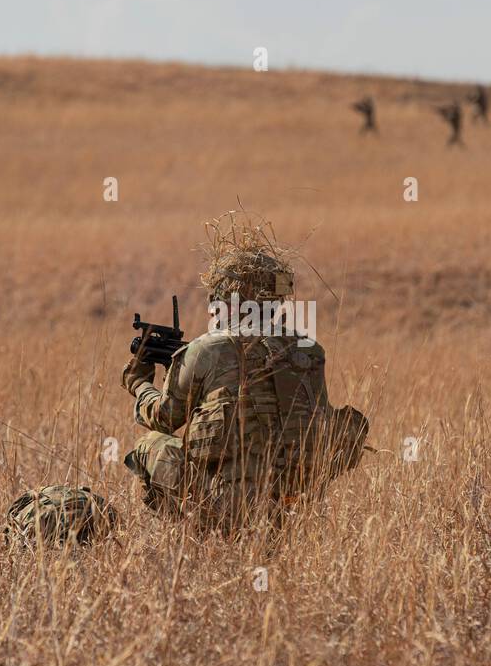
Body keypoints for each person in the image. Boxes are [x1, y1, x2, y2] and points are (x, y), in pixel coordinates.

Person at [121, 219, 368, 529]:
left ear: (224, 299)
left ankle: (195, 534)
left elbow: (164, 418)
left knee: (149, 445)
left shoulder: (206, 351)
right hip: (291, 505)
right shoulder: (309, 351)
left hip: (225, 506)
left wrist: (138, 383)